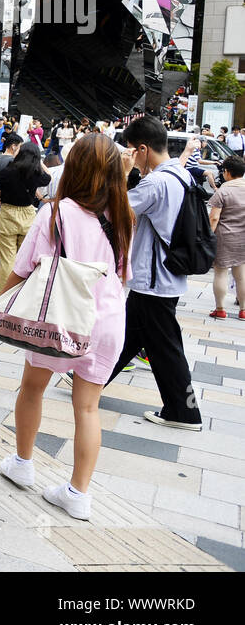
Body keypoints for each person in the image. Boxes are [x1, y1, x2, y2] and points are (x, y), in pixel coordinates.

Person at [0, 133, 133, 521]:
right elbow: (122, 275)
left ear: (73, 167)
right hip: (107, 320)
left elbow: (23, 269)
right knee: (89, 408)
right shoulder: (123, 216)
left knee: (33, 388)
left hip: (61, 318)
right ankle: (78, 494)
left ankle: (23, 463)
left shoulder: (57, 212)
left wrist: (0, 305)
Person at [105, 117, 203, 430]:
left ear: (143, 149)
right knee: (130, 334)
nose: (130, 156)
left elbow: (116, 211)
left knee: (165, 346)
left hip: (154, 277)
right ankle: (92, 377)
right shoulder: (180, 174)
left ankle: (184, 411)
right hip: (166, 275)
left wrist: (122, 174)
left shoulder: (155, 183)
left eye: (131, 151)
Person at [0, 142, 50, 292]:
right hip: (28, 216)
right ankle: (19, 295)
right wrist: (40, 162)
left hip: (8, 215)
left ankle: (4, 296)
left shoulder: (6, 171)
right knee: (23, 261)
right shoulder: (36, 173)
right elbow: (48, 177)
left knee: (7, 260)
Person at [207, 156, 245, 319]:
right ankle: (243, 310)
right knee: (241, 274)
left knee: (220, 273)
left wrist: (208, 236)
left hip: (224, 237)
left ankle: (220, 309)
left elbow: (214, 218)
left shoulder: (223, 191)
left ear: (227, 172)